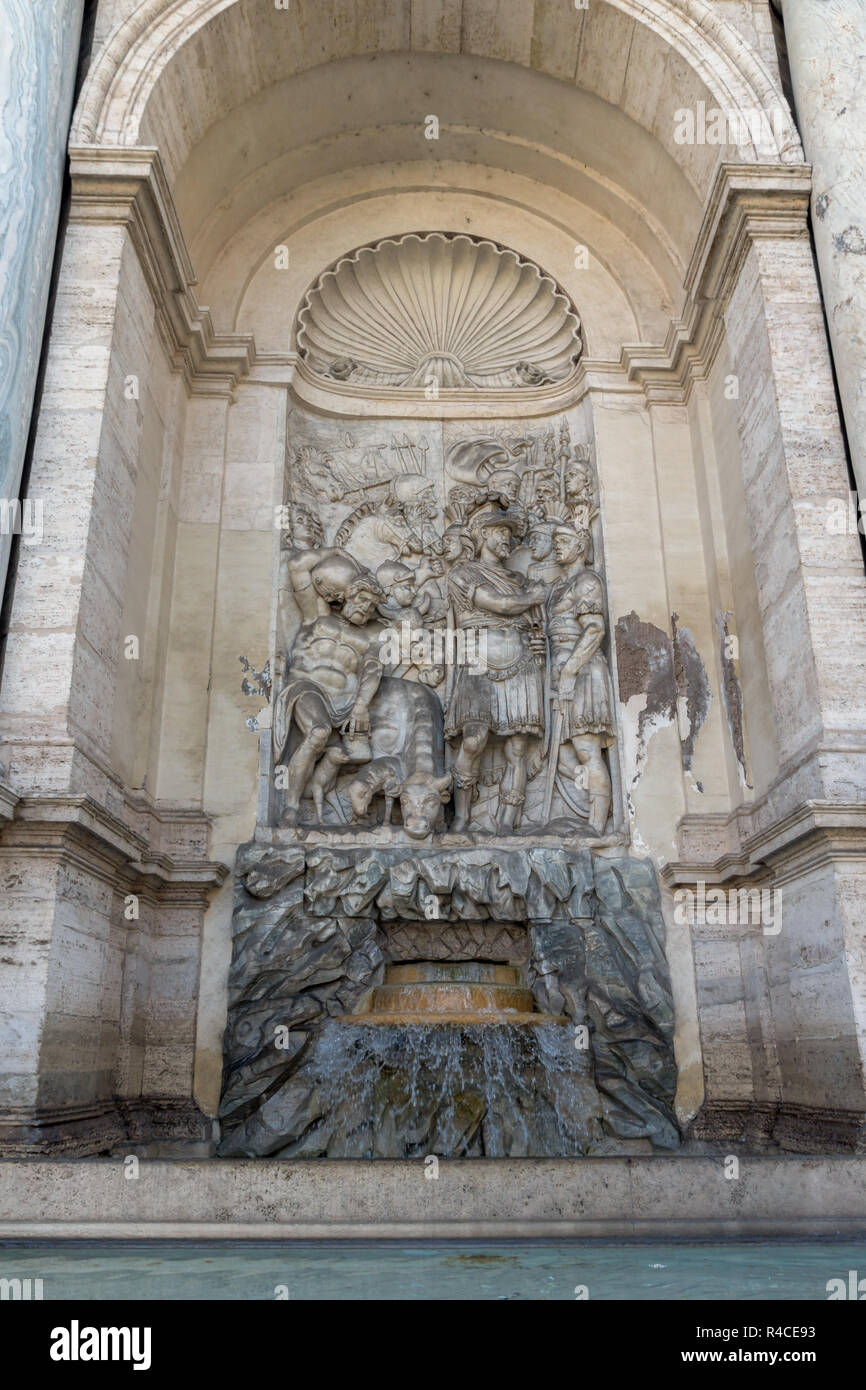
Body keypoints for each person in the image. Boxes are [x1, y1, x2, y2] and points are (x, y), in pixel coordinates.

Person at [445, 500, 546, 831]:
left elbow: (536, 624)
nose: (508, 539)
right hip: (479, 657)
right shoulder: (463, 574)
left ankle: (506, 823)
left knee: (517, 746)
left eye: (510, 533)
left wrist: (539, 639)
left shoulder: (519, 578)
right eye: (502, 532)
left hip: (520, 658)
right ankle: (461, 817)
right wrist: (533, 597)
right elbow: (500, 604)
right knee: (473, 738)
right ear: (483, 534)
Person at [272, 555, 384, 827]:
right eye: (362, 600)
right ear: (347, 595)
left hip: (345, 704)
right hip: (307, 687)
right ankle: (290, 805)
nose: (366, 608)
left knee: (360, 753)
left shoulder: (373, 634)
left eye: (371, 605)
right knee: (318, 731)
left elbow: (373, 670)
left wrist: (360, 706)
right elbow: (297, 566)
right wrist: (340, 552)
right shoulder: (316, 614)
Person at [546, 524, 616, 833]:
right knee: (561, 753)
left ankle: (598, 824)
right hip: (562, 667)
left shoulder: (587, 581)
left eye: (563, 541)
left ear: (580, 547)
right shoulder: (561, 585)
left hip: (583, 670)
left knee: (587, 748)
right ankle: (593, 803)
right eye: (555, 541)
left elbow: (594, 630)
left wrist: (571, 670)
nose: (556, 546)